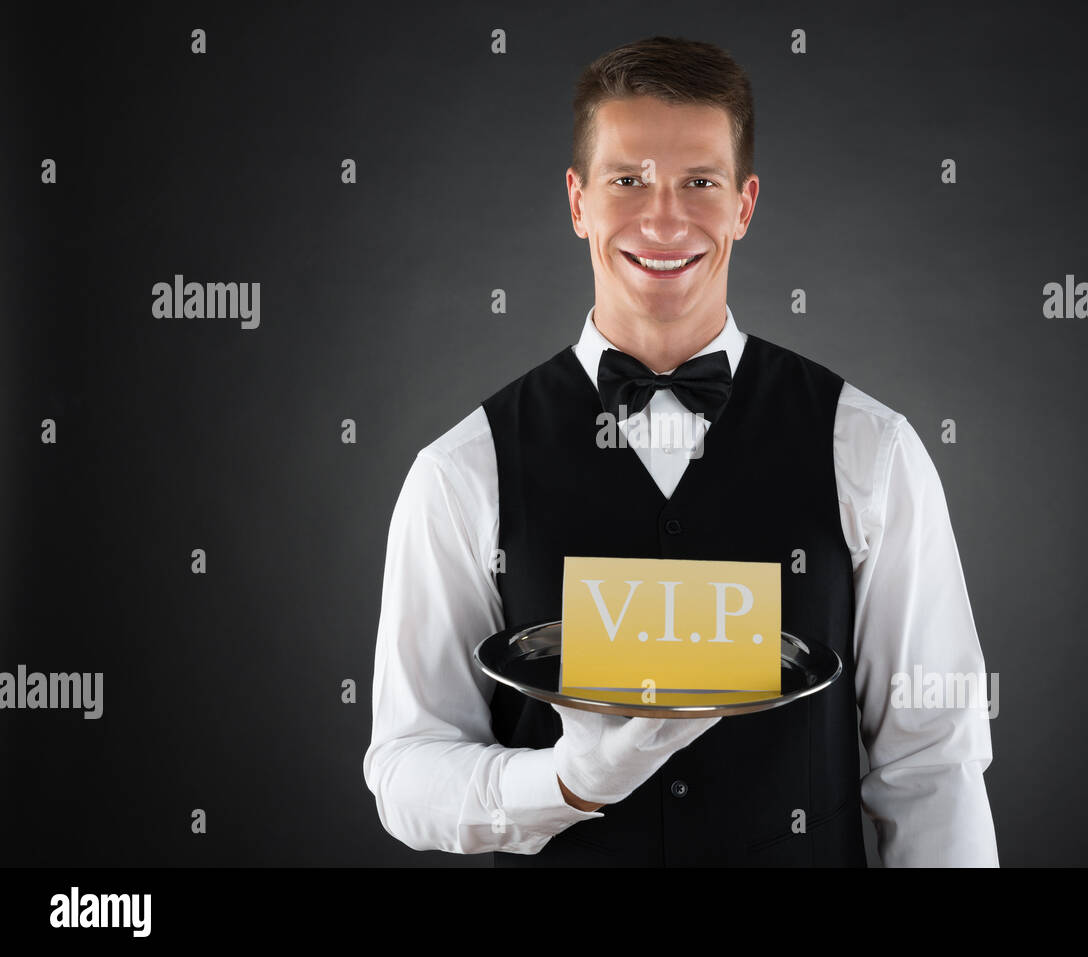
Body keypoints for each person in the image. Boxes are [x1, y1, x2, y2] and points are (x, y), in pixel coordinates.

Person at [362, 35, 999, 867]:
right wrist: (567, 781)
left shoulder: (873, 449)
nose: (663, 218)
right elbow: (407, 768)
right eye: (628, 180)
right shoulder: (461, 469)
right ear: (577, 201)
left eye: (700, 181)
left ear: (744, 203)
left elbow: (933, 766)